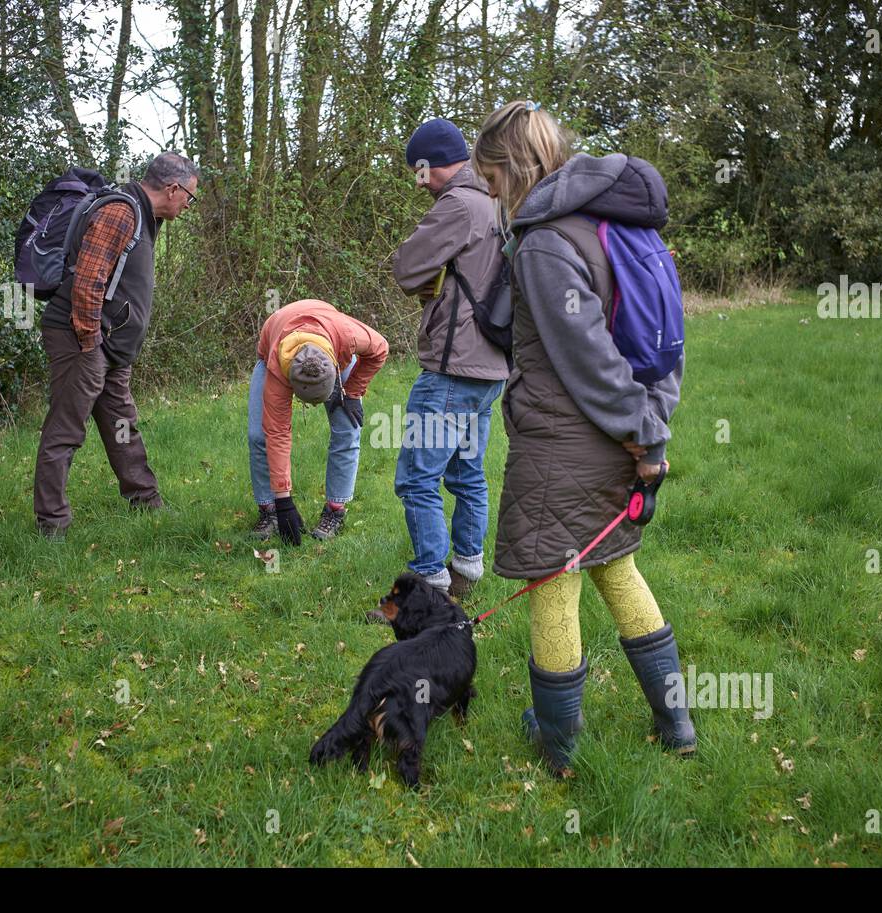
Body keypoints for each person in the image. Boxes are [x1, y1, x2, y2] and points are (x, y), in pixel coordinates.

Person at [472, 101, 696, 775]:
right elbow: (668, 340)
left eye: (491, 178)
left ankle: (559, 746)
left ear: (514, 169)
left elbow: (589, 357)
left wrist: (638, 432)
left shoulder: (545, 241)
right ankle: (676, 723)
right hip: (623, 441)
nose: (489, 193)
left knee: (553, 582)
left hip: (565, 443)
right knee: (615, 568)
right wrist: (651, 429)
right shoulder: (621, 225)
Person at [33, 152, 199, 538]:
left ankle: (145, 501)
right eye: (190, 196)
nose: (189, 205)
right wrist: (90, 345)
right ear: (172, 189)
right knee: (65, 431)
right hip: (83, 339)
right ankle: (52, 525)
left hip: (110, 348)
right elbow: (89, 281)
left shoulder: (145, 216)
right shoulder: (121, 212)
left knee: (122, 424)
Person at [390, 118, 509, 598]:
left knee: (417, 478)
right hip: (491, 368)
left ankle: (430, 580)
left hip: (452, 369)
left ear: (431, 165)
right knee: (467, 472)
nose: (419, 184)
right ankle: (467, 567)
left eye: (419, 173)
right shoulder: (499, 202)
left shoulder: (458, 204)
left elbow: (405, 267)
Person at [248, 299, 388, 544]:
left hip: (329, 339)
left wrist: (353, 391)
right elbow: (277, 432)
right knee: (259, 436)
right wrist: (284, 502)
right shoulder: (278, 373)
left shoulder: (349, 336)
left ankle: (336, 509)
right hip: (276, 344)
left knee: (347, 428)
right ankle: (269, 511)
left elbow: (380, 349)